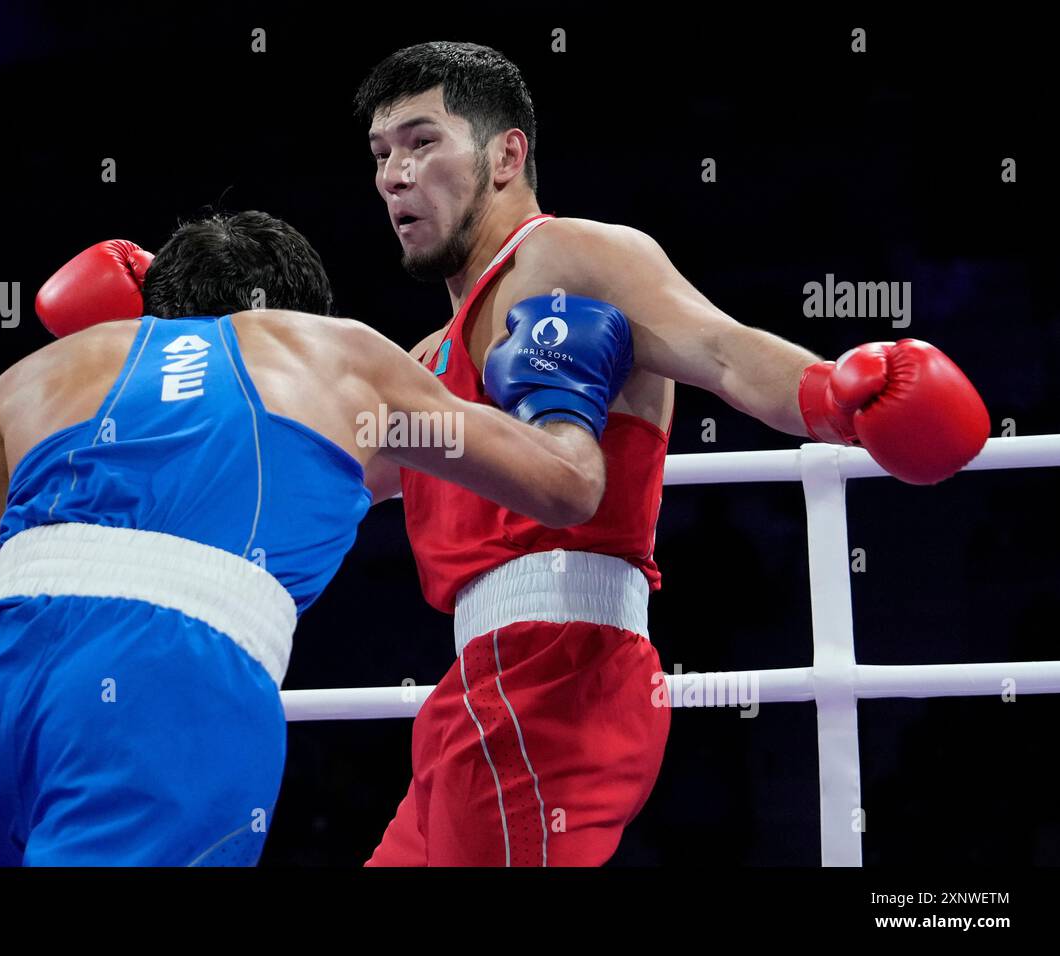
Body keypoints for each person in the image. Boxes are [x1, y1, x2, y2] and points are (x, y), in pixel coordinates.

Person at [352, 41, 990, 866]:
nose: (394, 175)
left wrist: (837, 394)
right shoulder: (428, 359)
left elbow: (722, 351)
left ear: (507, 153)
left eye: (421, 141)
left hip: (560, 673)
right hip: (473, 690)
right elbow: (325, 475)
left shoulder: (568, 255)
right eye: (381, 154)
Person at [0, 210, 637, 865]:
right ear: (297, 311)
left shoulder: (39, 374)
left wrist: (27, 683)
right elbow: (566, 488)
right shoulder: (332, 353)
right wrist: (560, 382)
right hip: (166, 684)